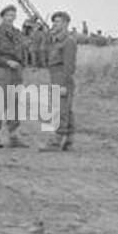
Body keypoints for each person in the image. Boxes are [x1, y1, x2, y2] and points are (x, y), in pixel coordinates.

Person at [0, 4, 28, 147]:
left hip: (15, 72)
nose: (11, 18)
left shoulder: (17, 33)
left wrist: (21, 63)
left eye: (13, 15)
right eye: (8, 15)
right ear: (2, 17)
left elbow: (22, 51)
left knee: (14, 104)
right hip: (1, 72)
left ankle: (13, 137)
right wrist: (7, 62)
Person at [40, 11, 76, 151]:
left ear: (66, 24)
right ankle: (69, 140)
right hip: (55, 76)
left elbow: (69, 66)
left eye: (58, 21)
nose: (55, 24)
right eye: (54, 21)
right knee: (66, 109)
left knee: (60, 110)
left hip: (62, 78)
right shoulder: (55, 40)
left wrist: (64, 85)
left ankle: (56, 141)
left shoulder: (68, 41)